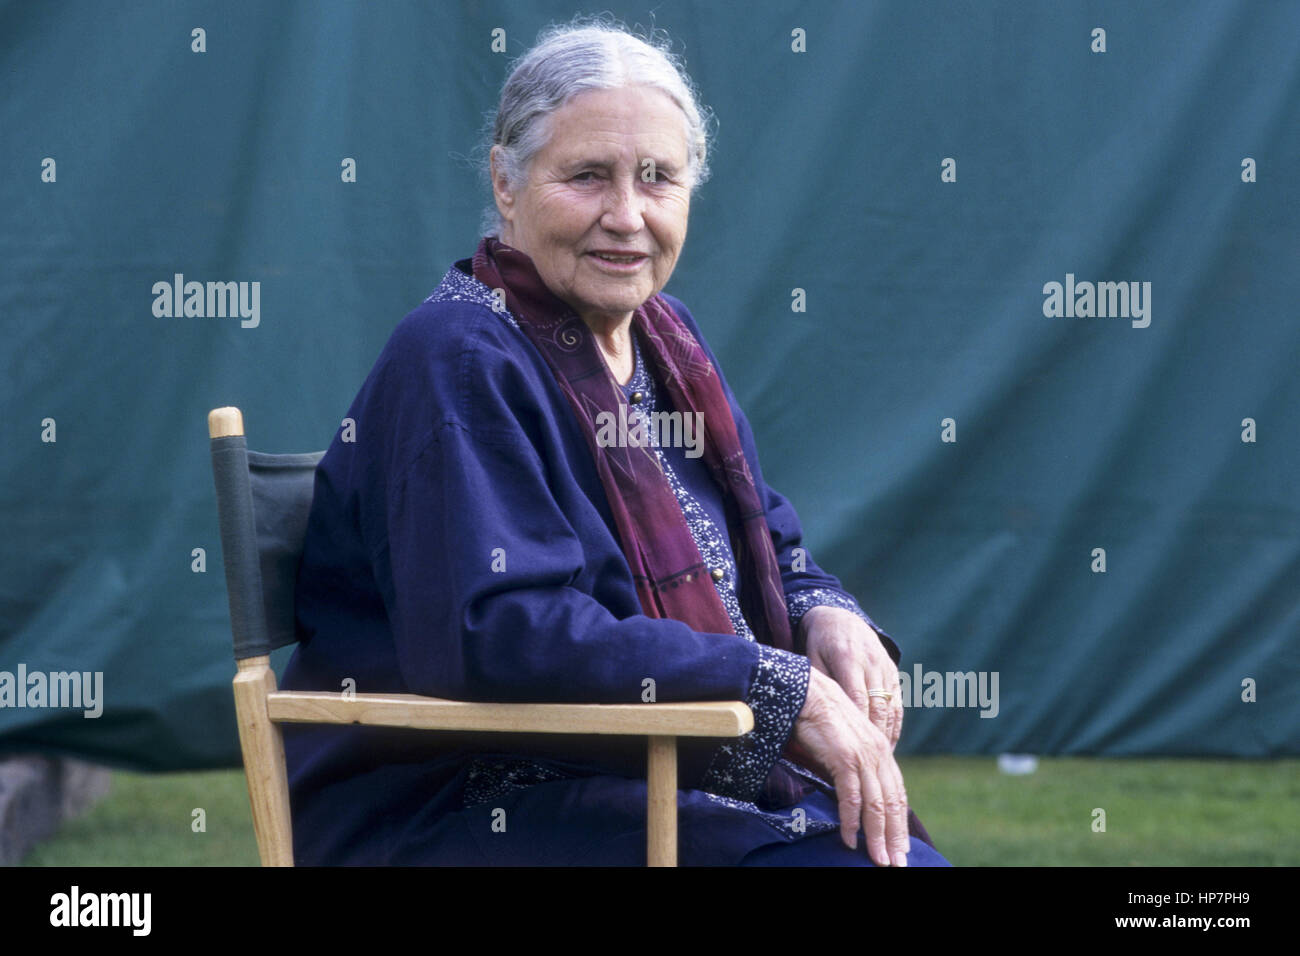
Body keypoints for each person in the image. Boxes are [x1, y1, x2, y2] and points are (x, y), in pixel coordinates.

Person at [280, 18, 950, 867]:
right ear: (507, 182)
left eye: (658, 179)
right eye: (588, 176)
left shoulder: (670, 342)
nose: (626, 215)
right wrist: (772, 687)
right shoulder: (454, 356)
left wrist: (827, 617)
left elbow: (769, 551)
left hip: (640, 775)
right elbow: (498, 634)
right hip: (468, 799)